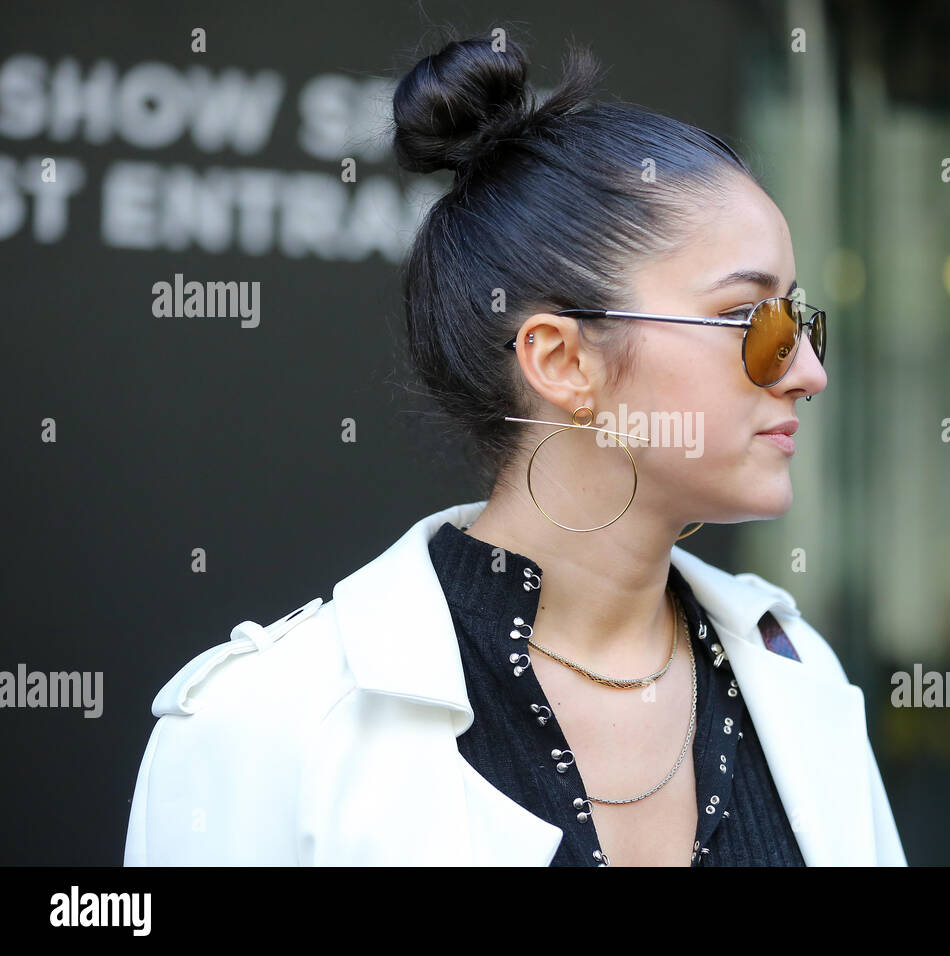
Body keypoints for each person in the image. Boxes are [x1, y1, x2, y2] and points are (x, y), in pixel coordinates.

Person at [123, 29, 906, 867]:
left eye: (798, 318)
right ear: (563, 360)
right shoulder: (274, 719)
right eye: (755, 321)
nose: (808, 371)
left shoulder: (798, 681)